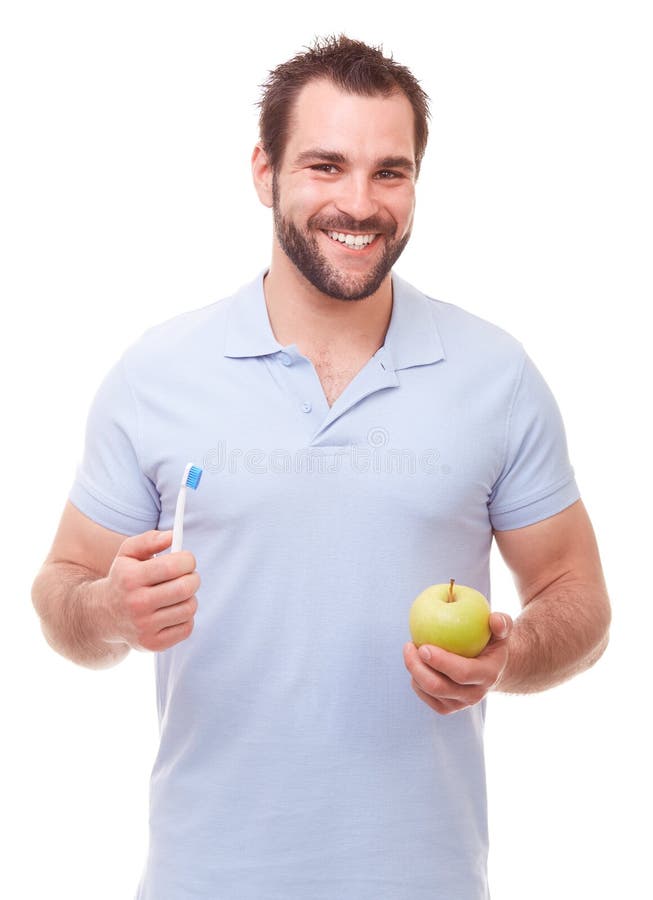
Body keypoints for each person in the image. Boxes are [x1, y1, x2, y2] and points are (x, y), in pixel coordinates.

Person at [31, 34, 611, 900]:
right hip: (205, 879)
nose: (359, 202)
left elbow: (579, 597)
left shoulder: (496, 375)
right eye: (326, 165)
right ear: (264, 174)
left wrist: (513, 652)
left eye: (389, 171)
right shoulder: (157, 374)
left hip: (427, 880)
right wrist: (111, 609)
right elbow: (62, 591)